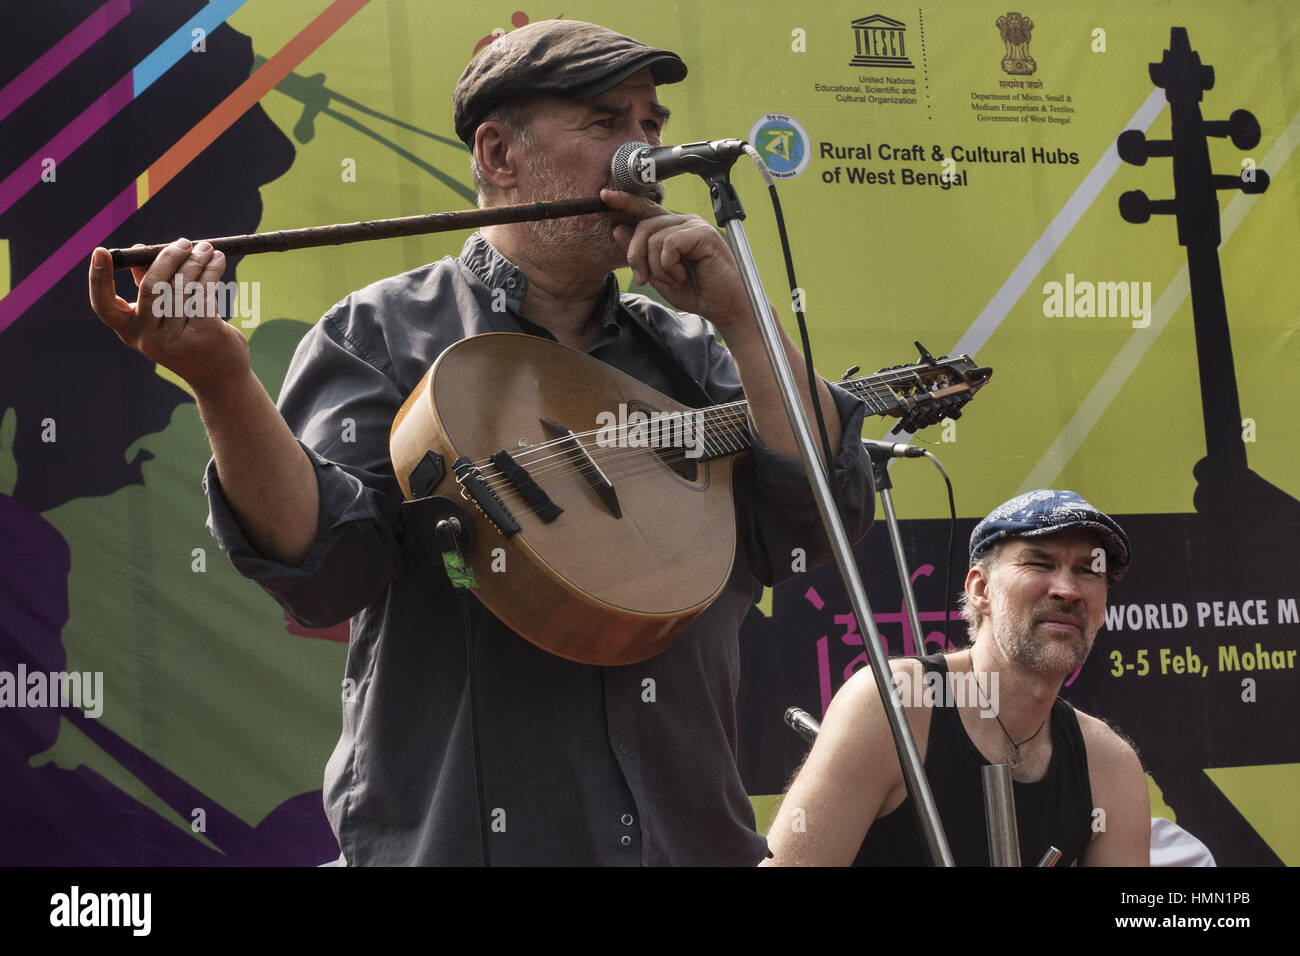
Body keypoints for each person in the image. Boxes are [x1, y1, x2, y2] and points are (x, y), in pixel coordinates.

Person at [86, 19, 873, 865]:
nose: (646, 154)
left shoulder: (693, 352)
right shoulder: (379, 337)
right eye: (606, 123)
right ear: (500, 157)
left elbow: (813, 520)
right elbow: (325, 571)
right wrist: (221, 384)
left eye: (652, 125)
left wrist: (745, 318)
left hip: (685, 844)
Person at [763, 489, 1151, 866]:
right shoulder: (896, 705)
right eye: (1040, 564)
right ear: (981, 589)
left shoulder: (1110, 764)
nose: (1067, 590)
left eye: (1087, 571)